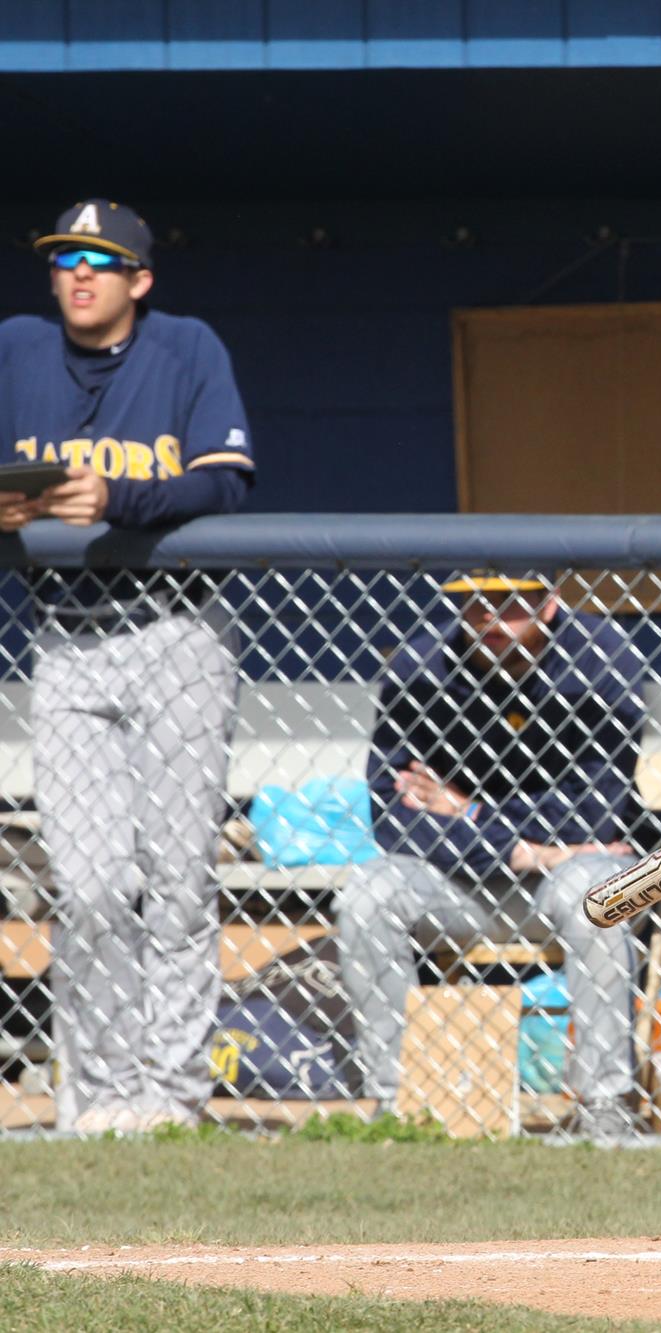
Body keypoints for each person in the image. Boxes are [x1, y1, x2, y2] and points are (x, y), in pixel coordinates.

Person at [0, 199, 254, 1134]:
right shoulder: (17, 348)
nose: (79, 273)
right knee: (94, 883)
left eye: (101, 260)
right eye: (65, 256)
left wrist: (121, 494)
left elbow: (224, 477)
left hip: (175, 633)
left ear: (139, 279)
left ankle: (173, 1097)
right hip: (64, 640)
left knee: (179, 880)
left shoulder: (186, 347)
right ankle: (100, 1099)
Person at [336, 573, 644, 1139]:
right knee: (367, 893)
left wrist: (467, 812)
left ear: (550, 604)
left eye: (511, 602)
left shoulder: (602, 657)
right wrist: (520, 848)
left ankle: (607, 1107)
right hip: (461, 882)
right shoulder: (419, 666)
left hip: (569, 876)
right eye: (474, 602)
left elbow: (597, 815)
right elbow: (392, 817)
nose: (489, 616)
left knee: (596, 898)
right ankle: (395, 1100)